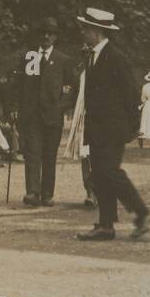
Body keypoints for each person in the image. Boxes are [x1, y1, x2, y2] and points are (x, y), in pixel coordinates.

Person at [73, 8, 150, 241]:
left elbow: (130, 93)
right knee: (99, 174)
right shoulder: (93, 56)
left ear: (96, 31)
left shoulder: (116, 57)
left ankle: (142, 212)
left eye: (86, 29)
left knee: (109, 172)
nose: (83, 33)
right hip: (98, 128)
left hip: (112, 128)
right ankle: (106, 225)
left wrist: (132, 126)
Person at [15, 17, 73, 206]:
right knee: (32, 154)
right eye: (43, 33)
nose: (46, 36)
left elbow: (72, 87)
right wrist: (16, 108)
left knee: (49, 155)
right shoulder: (29, 57)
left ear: (55, 37)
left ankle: (47, 193)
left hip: (52, 116)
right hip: (32, 116)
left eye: (50, 33)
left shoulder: (63, 60)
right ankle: (32, 192)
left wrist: (61, 107)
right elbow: (19, 85)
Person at [63, 43, 97, 209]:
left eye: (89, 54)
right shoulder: (80, 75)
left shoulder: (103, 73)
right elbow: (73, 95)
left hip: (99, 118)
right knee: (85, 156)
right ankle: (90, 192)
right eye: (84, 54)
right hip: (83, 117)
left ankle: (99, 191)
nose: (87, 57)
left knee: (98, 156)